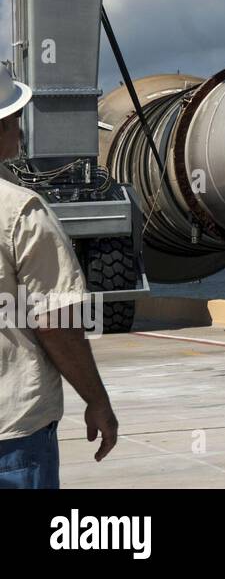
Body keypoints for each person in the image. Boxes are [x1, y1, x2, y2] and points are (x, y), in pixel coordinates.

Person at [0, 66, 118, 487]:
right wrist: (97, 400)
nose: (20, 125)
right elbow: (55, 323)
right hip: (11, 435)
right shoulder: (20, 210)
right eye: (14, 115)